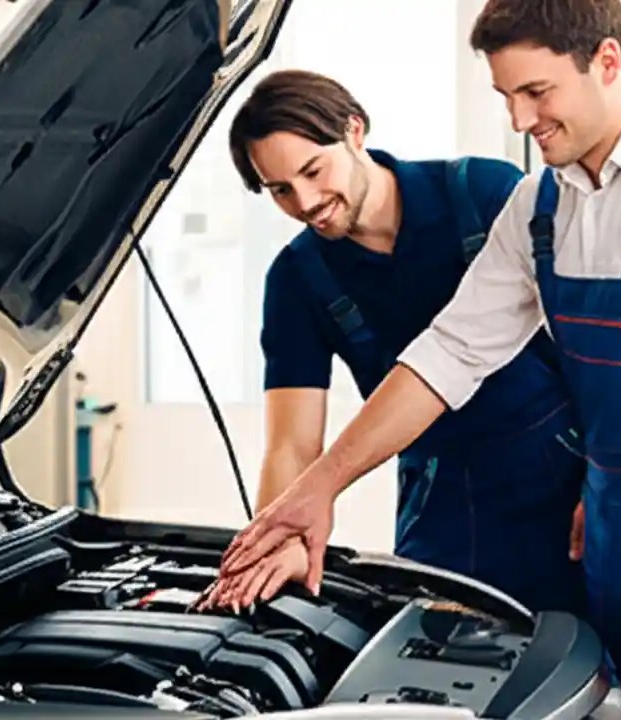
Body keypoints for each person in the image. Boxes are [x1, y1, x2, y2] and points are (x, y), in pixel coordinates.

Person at [214, 1, 621, 716]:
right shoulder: (541, 205)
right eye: (507, 98)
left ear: (607, 63)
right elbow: (448, 354)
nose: (521, 121)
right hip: (610, 532)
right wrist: (316, 492)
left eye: (537, 93)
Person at [202, 69, 588, 617]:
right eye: (281, 190)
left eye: (314, 170)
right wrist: (274, 542)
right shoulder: (295, 278)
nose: (307, 201)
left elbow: (597, 353)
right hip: (443, 508)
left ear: (354, 131)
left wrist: (608, 482)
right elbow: (290, 444)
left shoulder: (486, 193)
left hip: (565, 476)